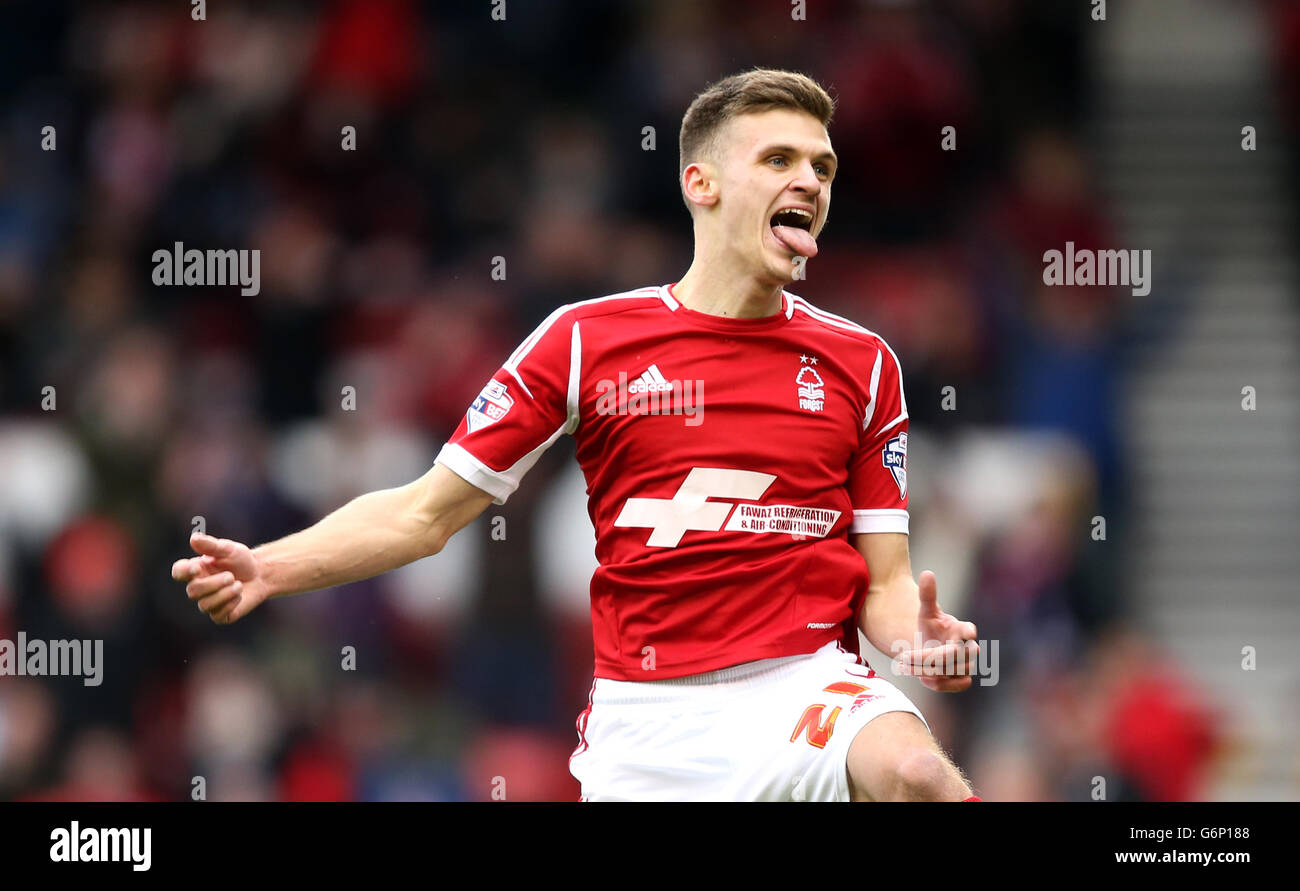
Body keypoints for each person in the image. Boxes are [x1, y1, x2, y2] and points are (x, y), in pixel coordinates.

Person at [172, 68, 983, 802]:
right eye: (779, 160)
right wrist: (270, 566)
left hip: (803, 688)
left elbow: (885, 583)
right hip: (650, 723)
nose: (809, 179)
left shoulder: (863, 362)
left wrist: (920, 641)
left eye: (823, 167)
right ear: (700, 183)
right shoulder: (585, 342)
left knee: (917, 771)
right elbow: (423, 515)